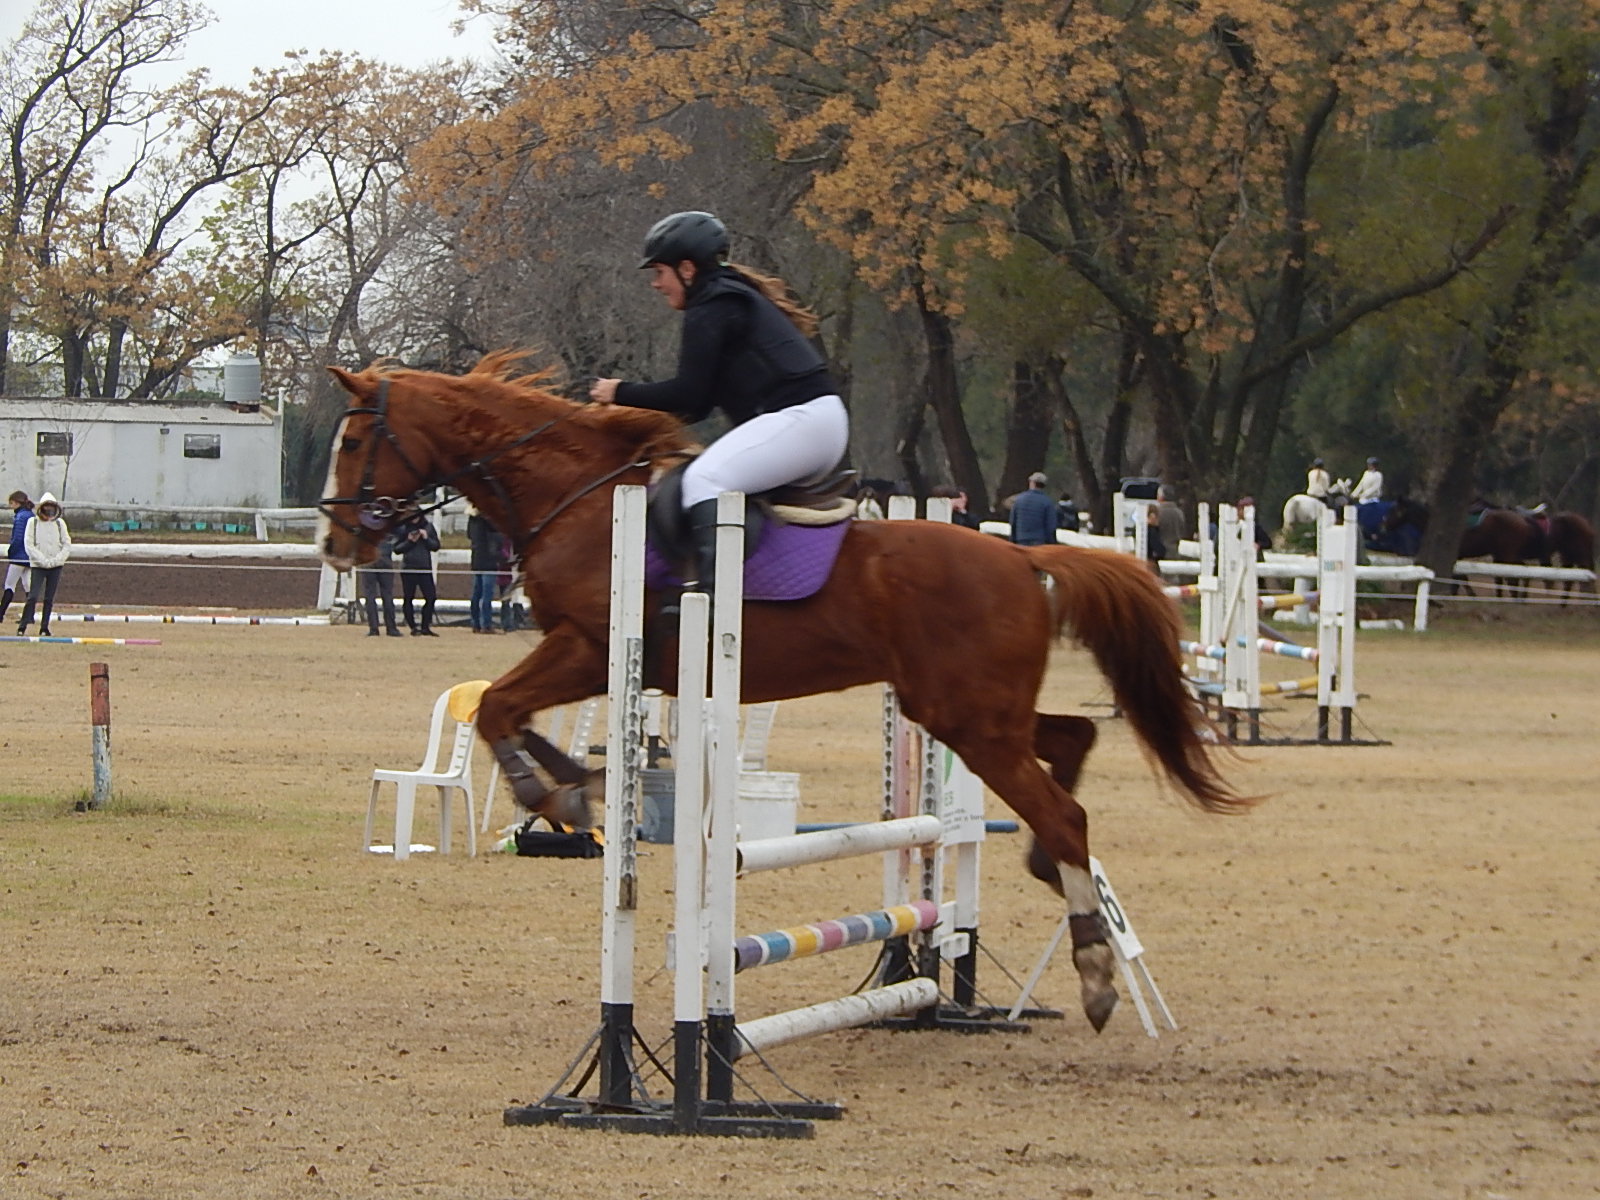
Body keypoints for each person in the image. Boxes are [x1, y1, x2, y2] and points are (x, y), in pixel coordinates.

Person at [589, 210, 848, 613]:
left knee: (704, 479)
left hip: (802, 422)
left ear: (687, 268)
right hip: (812, 424)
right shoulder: (727, 296)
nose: (656, 284)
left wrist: (619, 391)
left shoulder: (712, 303)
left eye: (659, 272)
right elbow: (698, 405)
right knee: (701, 473)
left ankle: (711, 601)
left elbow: (688, 394)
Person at [16, 492, 70, 636]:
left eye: (51, 507)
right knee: (32, 596)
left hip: (56, 566)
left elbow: (66, 544)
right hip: (38, 566)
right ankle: (23, 625)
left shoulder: (60, 524)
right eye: (46, 507)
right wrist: (42, 560)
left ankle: (44, 627)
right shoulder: (32, 523)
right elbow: (29, 544)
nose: (49, 510)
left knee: (49, 598)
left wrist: (56, 560)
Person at [393, 506, 440, 636]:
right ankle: (413, 626)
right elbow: (397, 549)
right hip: (408, 568)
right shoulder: (403, 528)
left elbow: (435, 546)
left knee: (431, 597)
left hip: (425, 568)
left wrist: (426, 538)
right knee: (408, 598)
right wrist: (409, 541)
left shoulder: (428, 527)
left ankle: (425, 626)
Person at [466, 505, 503, 634]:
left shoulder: (472, 522)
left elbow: (469, 536)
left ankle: (475, 623)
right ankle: (486, 624)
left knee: (476, 593)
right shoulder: (489, 521)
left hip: (477, 559)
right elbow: (498, 535)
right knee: (487, 594)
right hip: (489, 560)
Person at [0, 491, 34, 622]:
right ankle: (29, 616)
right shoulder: (30, 515)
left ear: (17, 502)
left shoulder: (20, 517)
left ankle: (1, 614)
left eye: (12, 503)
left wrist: (11, 552)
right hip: (29, 556)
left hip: (19, 555)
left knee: (10, 585)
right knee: (27, 584)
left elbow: (17, 538)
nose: (11, 506)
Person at [359, 536, 402, 637]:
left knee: (370, 595)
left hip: (368, 560)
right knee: (387, 595)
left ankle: (373, 628)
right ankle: (391, 627)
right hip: (384, 559)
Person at [1009, 471, 1059, 546]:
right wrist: (1052, 543)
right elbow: (1051, 526)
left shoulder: (1019, 499)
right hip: (1039, 541)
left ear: (1032, 483)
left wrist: (1013, 540)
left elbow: (1013, 522)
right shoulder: (1047, 502)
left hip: (1021, 539)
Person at [1155, 485, 1187, 553]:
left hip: (1160, 551)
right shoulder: (1179, 512)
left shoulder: (1157, 512)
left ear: (1161, 497)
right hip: (1176, 550)